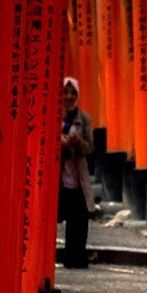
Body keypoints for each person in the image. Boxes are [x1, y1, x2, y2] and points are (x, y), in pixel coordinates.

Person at [59, 77, 94, 269]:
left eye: (73, 93)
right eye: (65, 92)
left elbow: (90, 147)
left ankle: (77, 257)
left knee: (78, 220)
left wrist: (76, 142)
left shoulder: (85, 118)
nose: (69, 96)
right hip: (59, 177)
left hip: (78, 176)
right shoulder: (54, 116)